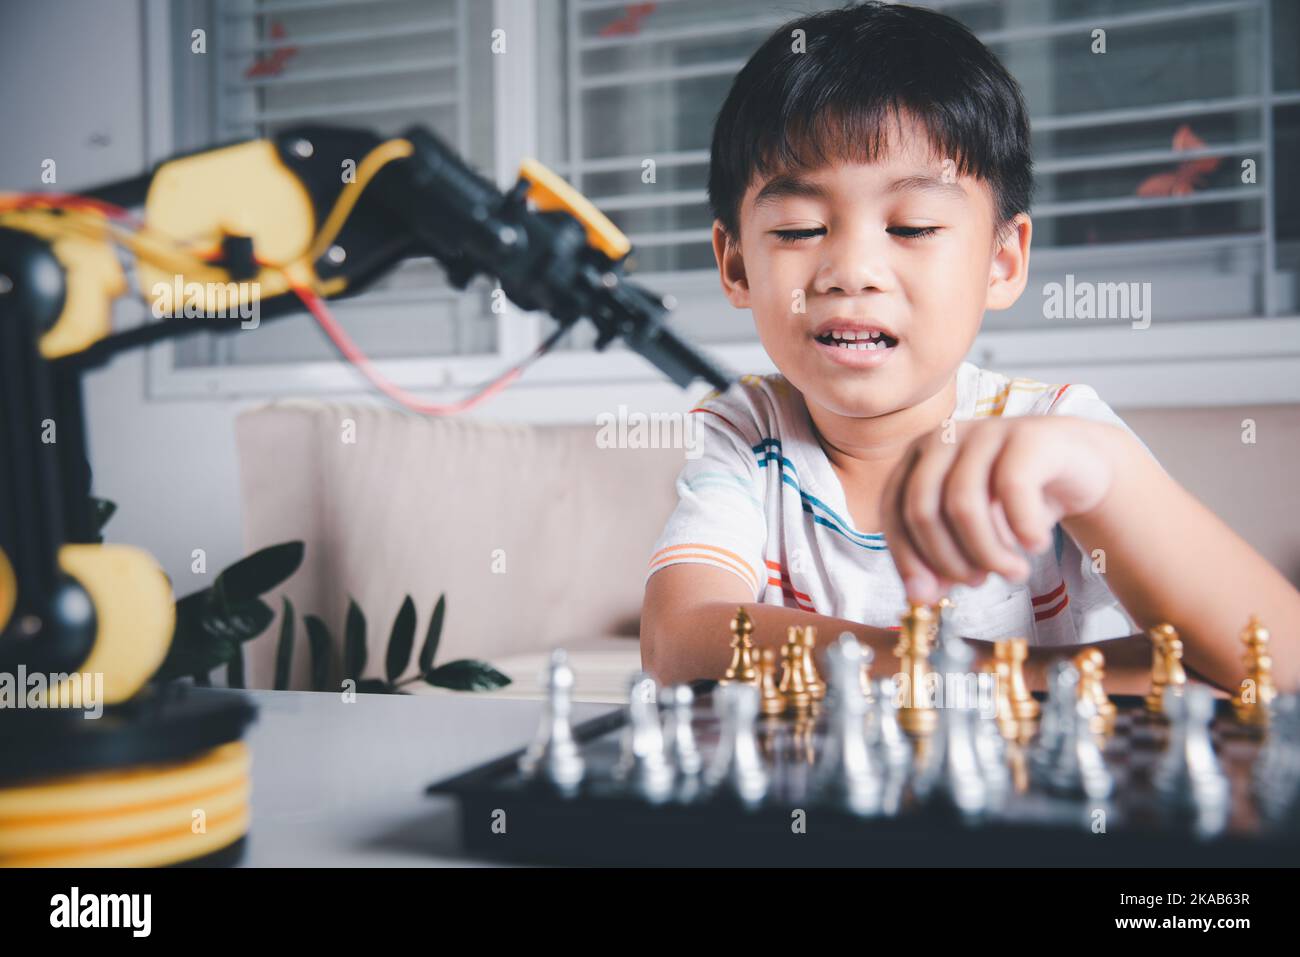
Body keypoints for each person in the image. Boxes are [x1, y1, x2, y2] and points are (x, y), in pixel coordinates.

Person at [640, 1, 1299, 694]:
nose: (851, 271)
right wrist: (1015, 671)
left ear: (1003, 261)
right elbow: (680, 637)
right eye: (801, 229)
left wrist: (1105, 475)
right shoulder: (747, 432)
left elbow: (1279, 661)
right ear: (736, 265)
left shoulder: (1059, 434)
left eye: (914, 226)